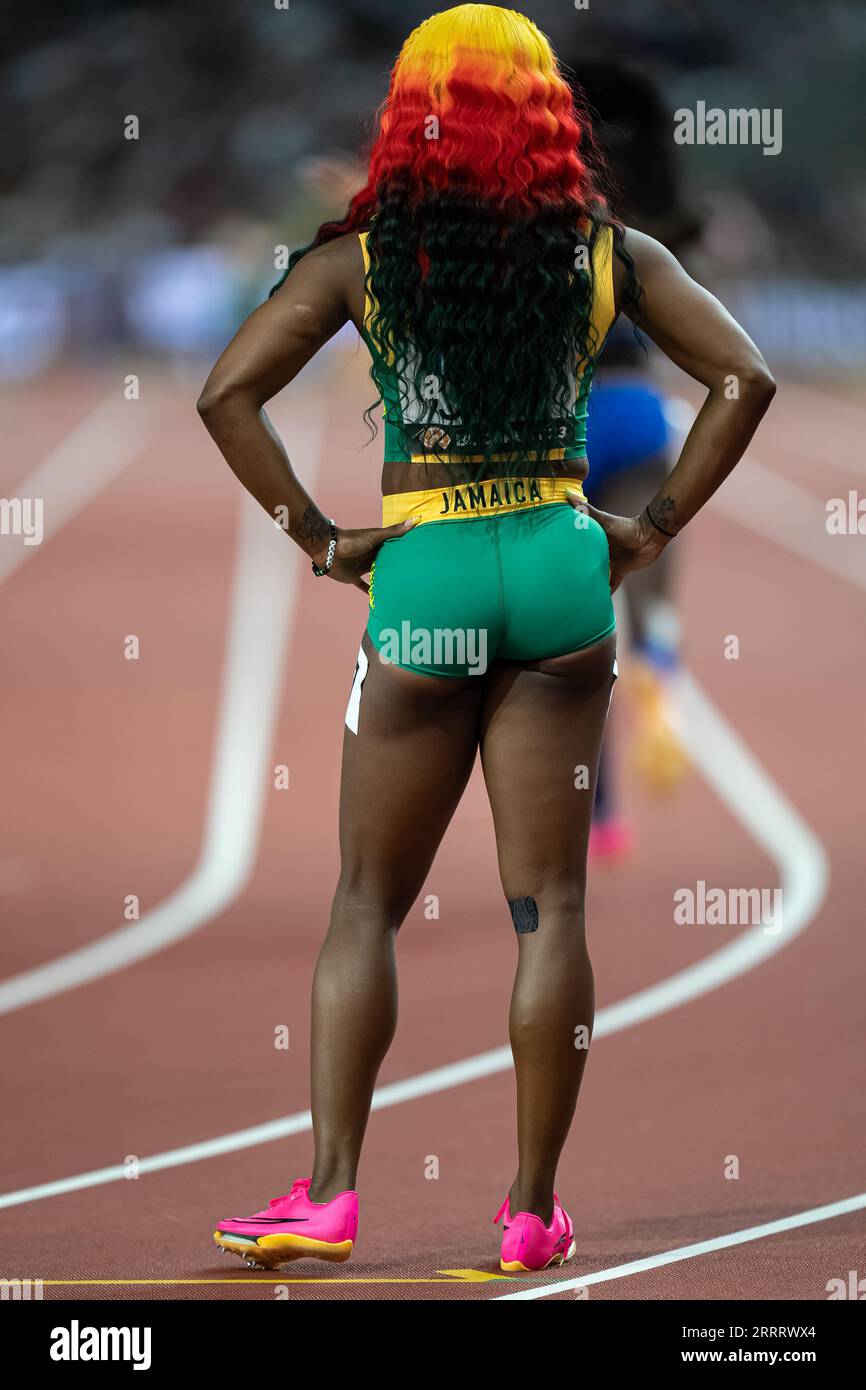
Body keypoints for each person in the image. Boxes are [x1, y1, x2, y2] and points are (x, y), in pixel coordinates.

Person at [197, 4, 774, 1274]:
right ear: (547, 118)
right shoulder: (607, 251)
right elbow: (743, 378)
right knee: (549, 908)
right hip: (566, 575)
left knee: (365, 902)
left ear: (411, 117)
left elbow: (224, 393)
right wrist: (651, 528)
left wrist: (316, 534)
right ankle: (528, 1210)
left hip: (428, 570)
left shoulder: (365, 259)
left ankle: (333, 1193)